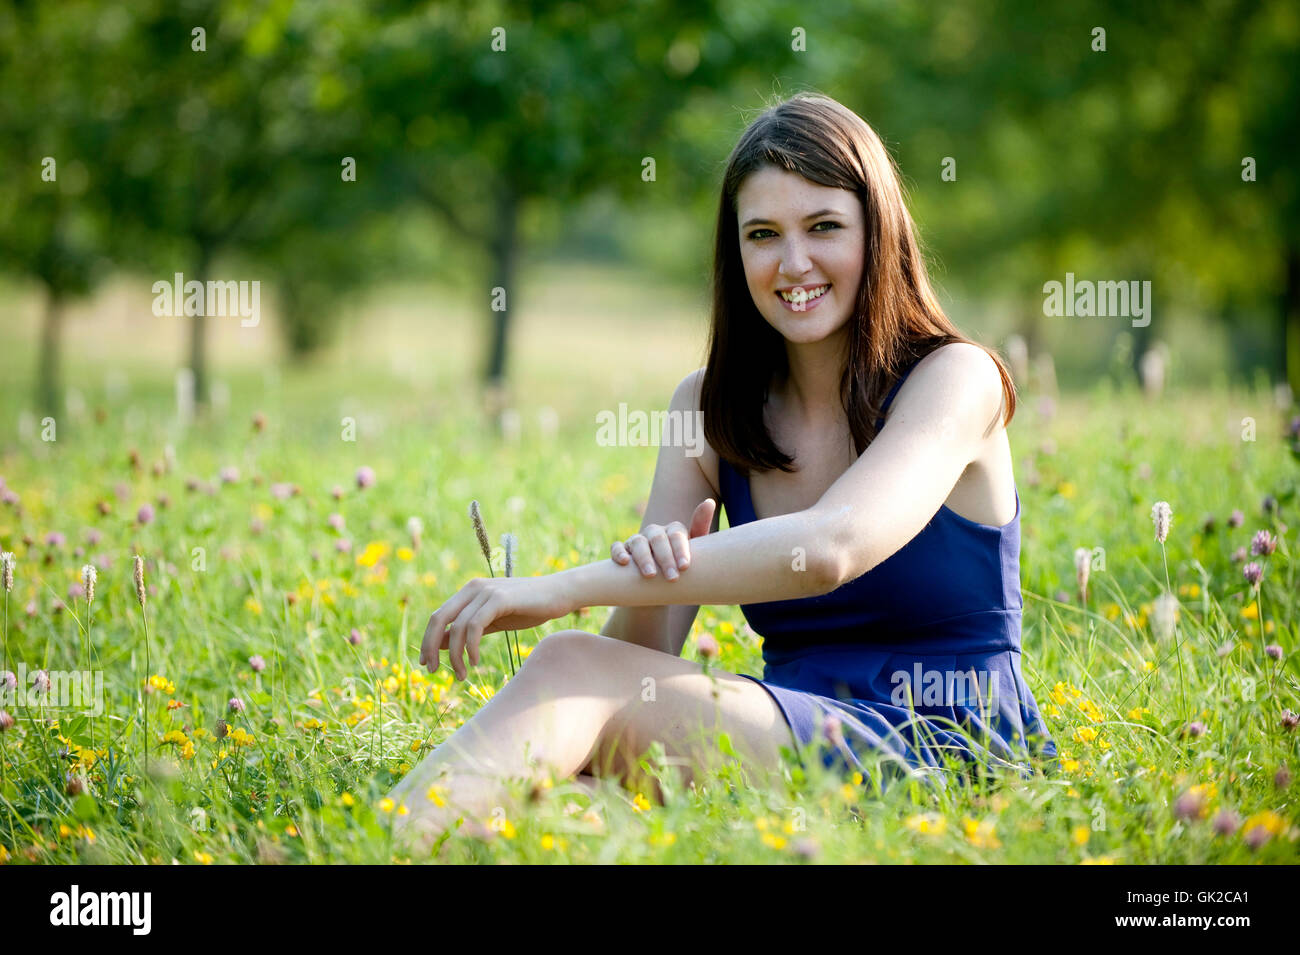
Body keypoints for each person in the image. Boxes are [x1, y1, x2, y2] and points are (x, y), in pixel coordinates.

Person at [387, 91, 1057, 847]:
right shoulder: (707, 410)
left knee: (565, 662)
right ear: (734, 252)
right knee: (560, 796)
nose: (793, 262)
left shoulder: (955, 378)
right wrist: (658, 571)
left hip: (947, 745)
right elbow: (637, 665)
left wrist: (557, 590)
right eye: (763, 234)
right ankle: (407, 841)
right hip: (790, 728)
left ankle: (373, 847)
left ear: (879, 233)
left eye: (824, 227)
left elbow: (832, 547)